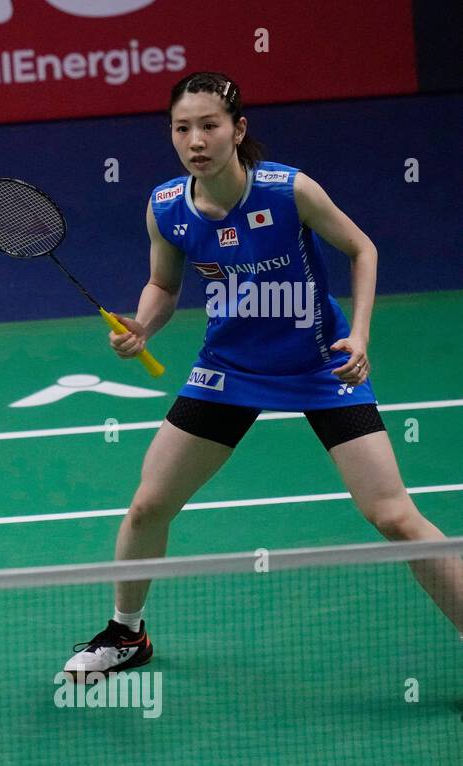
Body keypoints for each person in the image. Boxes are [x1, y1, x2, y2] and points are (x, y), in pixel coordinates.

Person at [64, 71, 463, 678]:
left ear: (237, 129)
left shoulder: (288, 190)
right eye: (182, 128)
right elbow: (164, 285)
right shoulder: (167, 207)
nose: (195, 140)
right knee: (148, 506)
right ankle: (127, 634)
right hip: (229, 368)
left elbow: (362, 249)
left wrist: (358, 333)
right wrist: (144, 326)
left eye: (209, 125)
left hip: (321, 365)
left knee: (393, 514)